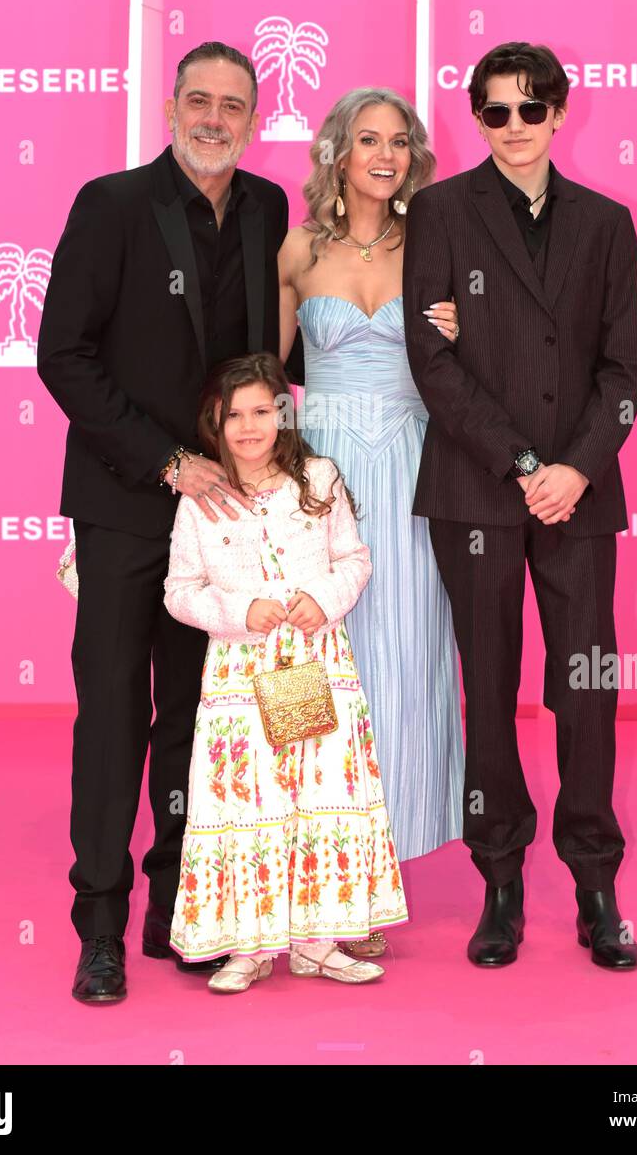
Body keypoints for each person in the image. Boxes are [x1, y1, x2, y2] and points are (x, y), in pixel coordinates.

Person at [37, 41, 303, 1004]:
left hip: (222, 522)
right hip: (125, 506)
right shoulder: (109, 205)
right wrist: (165, 461)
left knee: (193, 719)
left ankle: (176, 910)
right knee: (112, 715)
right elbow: (62, 355)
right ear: (169, 105)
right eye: (200, 99)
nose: (215, 117)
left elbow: (277, 348)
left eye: (234, 104)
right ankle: (98, 926)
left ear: (253, 115)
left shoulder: (270, 207)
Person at [402, 41, 637, 970]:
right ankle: (498, 880)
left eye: (530, 109)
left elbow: (626, 368)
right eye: (495, 111)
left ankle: (595, 883)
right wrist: (519, 463)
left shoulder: (607, 222)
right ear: (476, 118)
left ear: (559, 112)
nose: (514, 127)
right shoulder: (439, 214)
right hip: (477, 491)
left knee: (585, 691)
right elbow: (434, 364)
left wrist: (574, 469)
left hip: (578, 498)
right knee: (490, 692)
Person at [277, 88, 464, 958]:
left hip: (416, 471)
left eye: (399, 141)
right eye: (366, 140)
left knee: (405, 661)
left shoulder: (437, 246)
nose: (383, 155)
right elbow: (267, 379)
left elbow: (476, 358)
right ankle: (316, 861)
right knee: (322, 665)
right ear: (337, 154)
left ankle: (378, 859)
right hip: (322, 473)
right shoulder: (296, 249)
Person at [163, 352, 408, 991]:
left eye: (262, 411)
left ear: (283, 412)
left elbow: (354, 559)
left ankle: (317, 943)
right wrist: (242, 610)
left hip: (313, 665)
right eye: (234, 415)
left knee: (319, 795)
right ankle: (247, 944)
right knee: (248, 800)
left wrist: (321, 601)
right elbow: (179, 591)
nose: (249, 428)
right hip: (239, 680)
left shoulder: (318, 479)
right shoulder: (202, 501)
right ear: (215, 424)